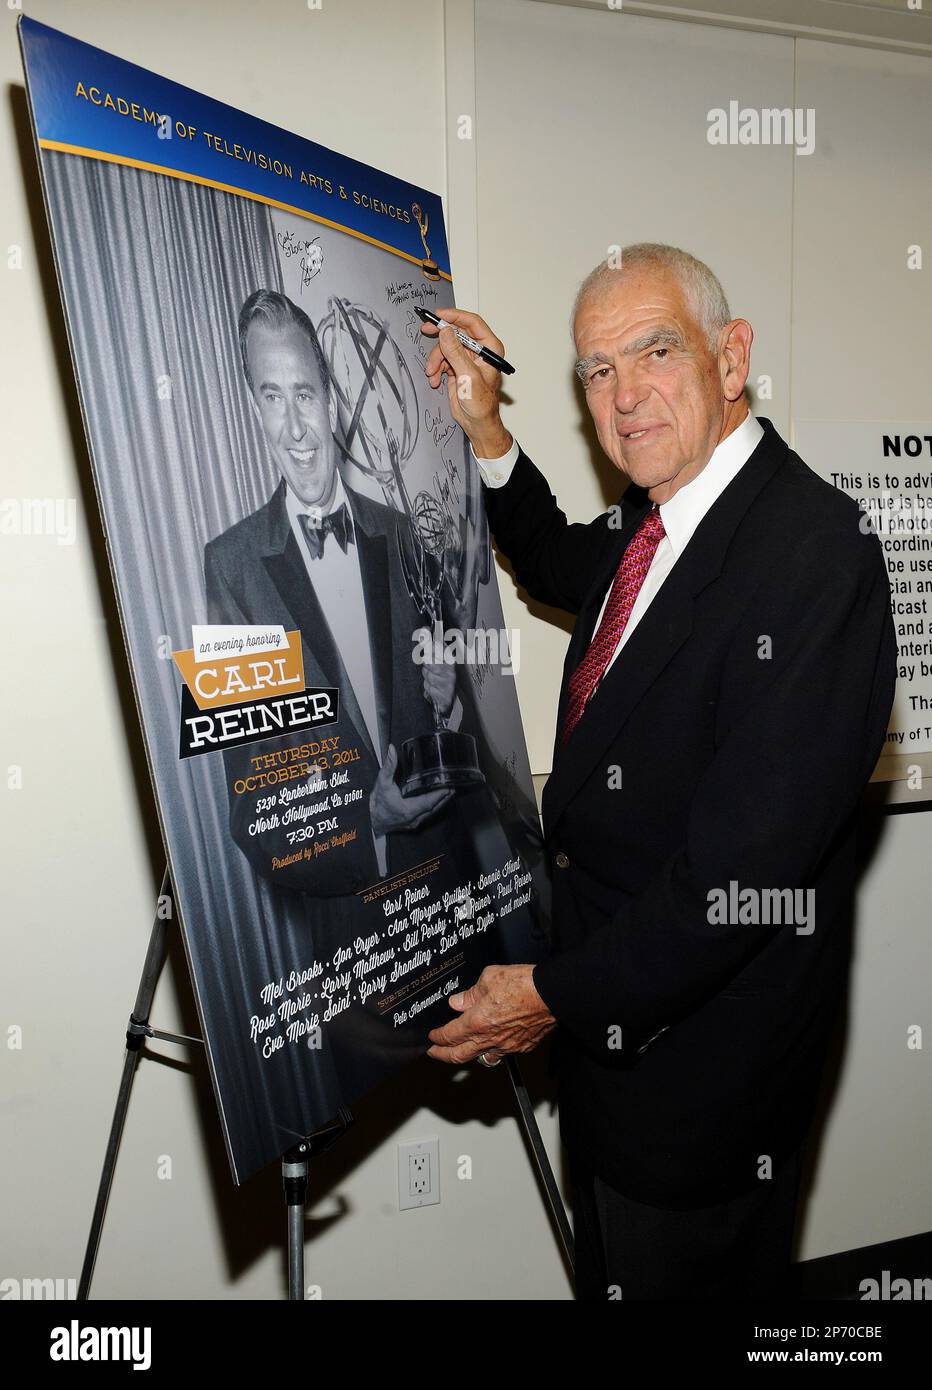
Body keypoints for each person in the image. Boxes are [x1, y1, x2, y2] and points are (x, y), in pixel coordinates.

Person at [423, 243, 898, 1299]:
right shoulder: (654, 519)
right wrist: (487, 433)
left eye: (652, 351)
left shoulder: (813, 555)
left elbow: (735, 882)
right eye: (595, 369)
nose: (622, 395)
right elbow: (553, 555)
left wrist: (544, 993)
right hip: (607, 1056)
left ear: (730, 359)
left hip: (703, 1087)